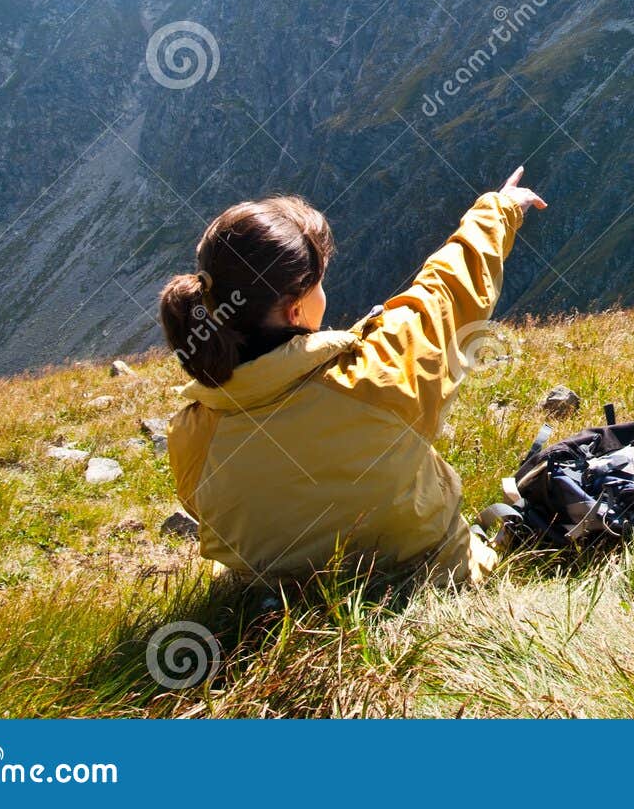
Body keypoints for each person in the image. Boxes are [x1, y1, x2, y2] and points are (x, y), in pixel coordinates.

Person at [157, 167, 546, 586]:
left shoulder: (191, 437)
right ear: (294, 310)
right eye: (319, 282)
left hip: (273, 606)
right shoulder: (379, 371)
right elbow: (449, 290)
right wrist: (500, 209)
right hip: (427, 580)